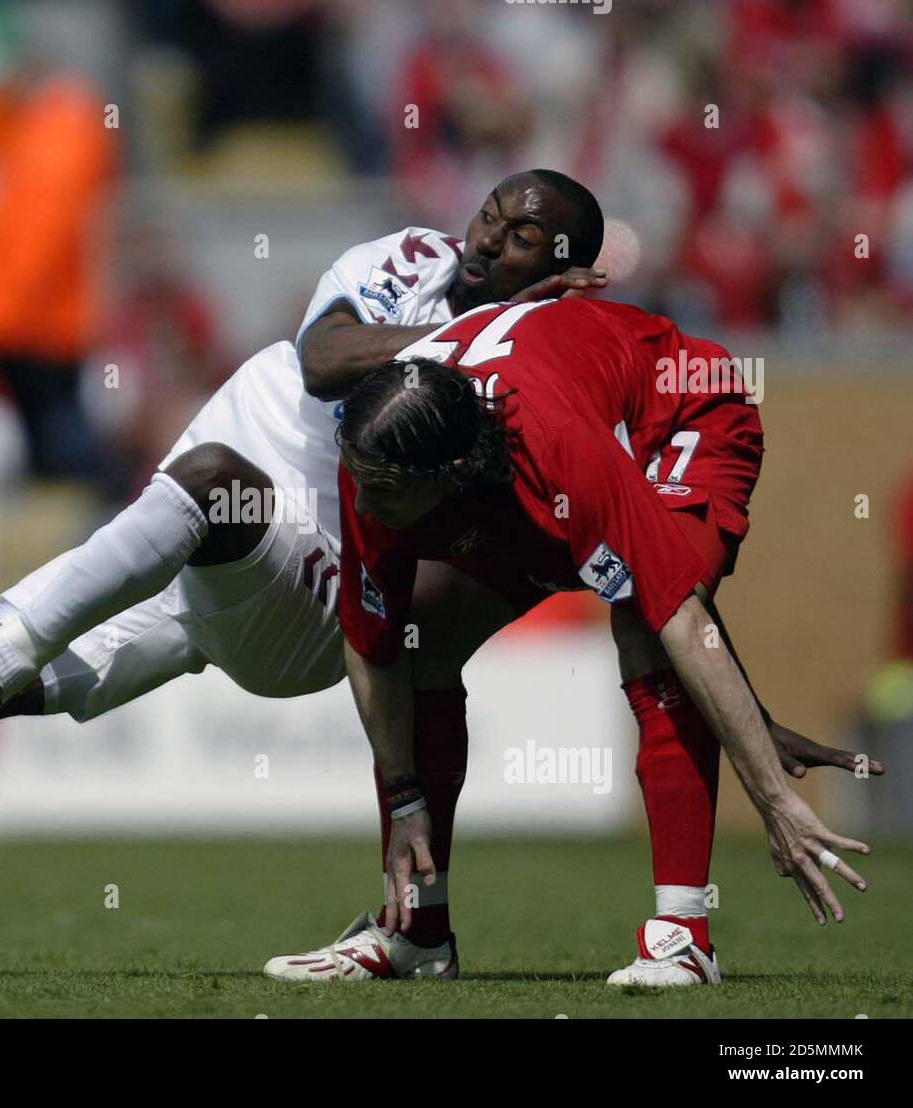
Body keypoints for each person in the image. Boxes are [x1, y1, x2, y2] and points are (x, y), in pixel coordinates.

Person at [0, 172, 865, 978]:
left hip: (297, 575)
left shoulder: (530, 401)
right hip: (192, 564)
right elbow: (321, 356)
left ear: (562, 280)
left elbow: (664, 589)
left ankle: (662, 930)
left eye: (525, 234)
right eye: (495, 205)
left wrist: (761, 766)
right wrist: (444, 340)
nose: (492, 229)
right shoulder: (408, 266)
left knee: (214, 483)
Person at [304, 298, 870, 986]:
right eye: (360, 485)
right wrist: (403, 801)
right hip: (533, 458)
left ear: (446, 473)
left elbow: (678, 615)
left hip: (676, 410)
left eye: (382, 492)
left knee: (642, 620)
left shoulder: (560, 450)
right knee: (425, 644)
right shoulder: (376, 451)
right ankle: (420, 934)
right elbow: (371, 646)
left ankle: (684, 937)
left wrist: (775, 799)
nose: (362, 509)